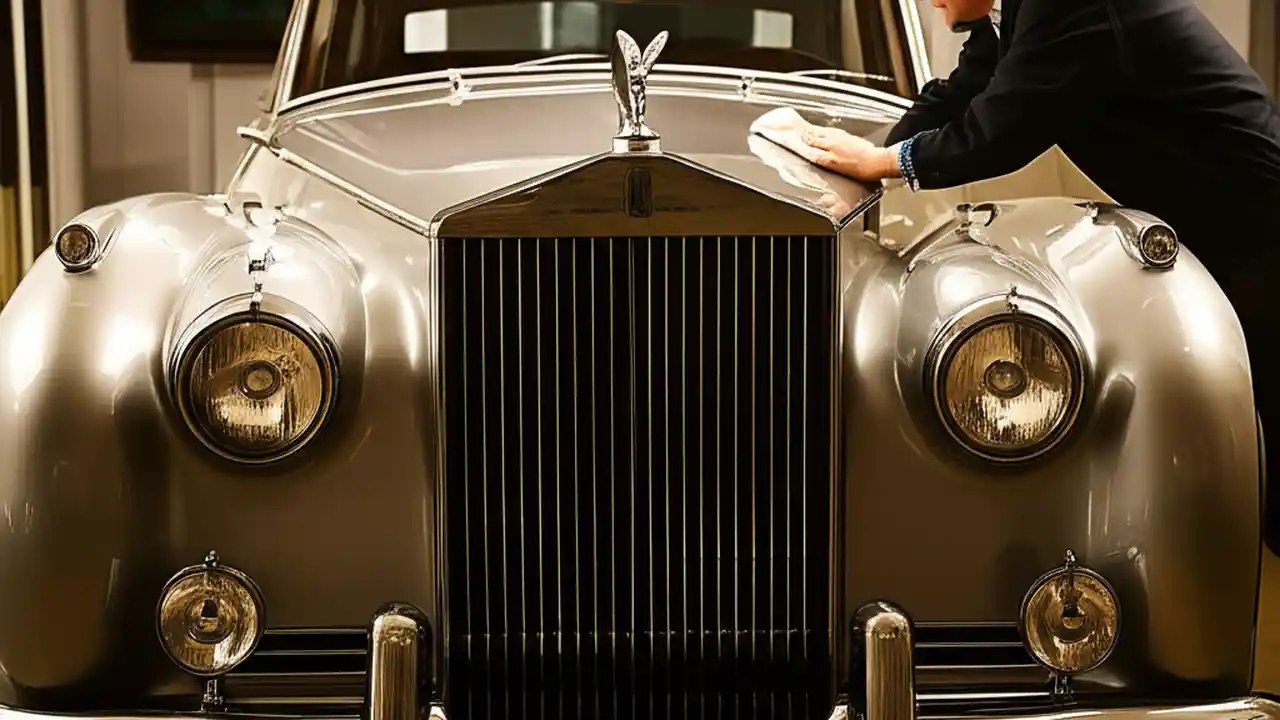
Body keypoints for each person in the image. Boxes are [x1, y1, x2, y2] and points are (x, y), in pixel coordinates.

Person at [801, 0, 1280, 551]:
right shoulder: (1023, 12)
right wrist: (867, 163)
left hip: (1254, 229)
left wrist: (883, 165)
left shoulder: (1068, 5)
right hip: (1219, 226)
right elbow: (963, 91)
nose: (932, 0)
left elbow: (1001, 129)